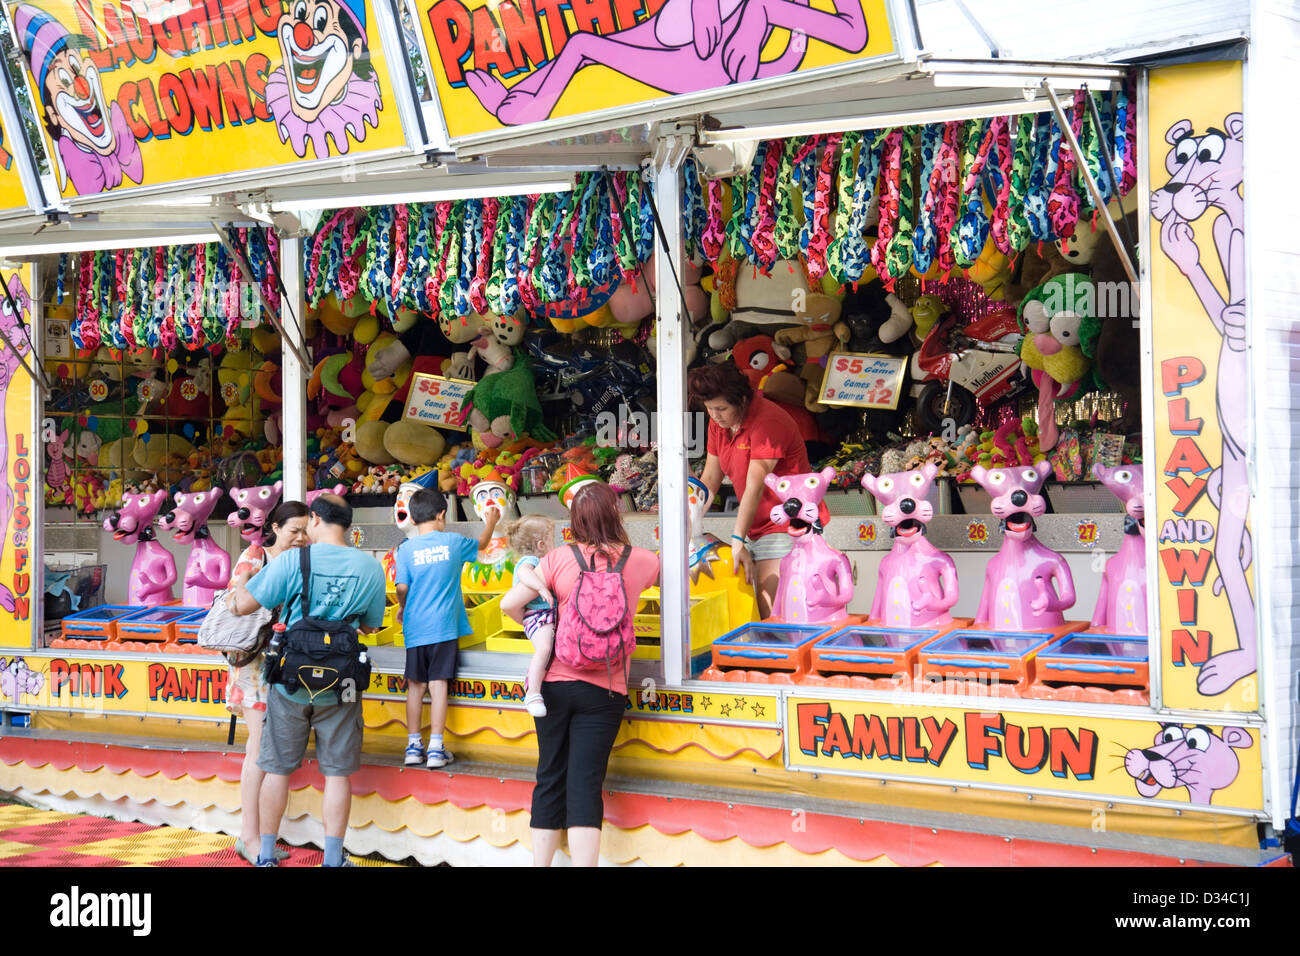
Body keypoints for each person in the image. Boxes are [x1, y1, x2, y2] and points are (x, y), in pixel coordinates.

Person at [501, 483, 659, 867]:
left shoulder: (557, 558)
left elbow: (509, 604)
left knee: (550, 776)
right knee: (586, 783)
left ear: (574, 521)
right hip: (606, 688)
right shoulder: (642, 560)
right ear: (616, 514)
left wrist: (543, 629)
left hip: (554, 684)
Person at [229, 494, 386, 867]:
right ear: (348, 524)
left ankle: (265, 854)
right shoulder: (370, 567)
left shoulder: (292, 560)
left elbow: (243, 606)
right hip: (341, 684)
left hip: (290, 681)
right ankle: (333, 860)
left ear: (314, 519)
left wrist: (244, 581)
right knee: (337, 774)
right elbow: (370, 625)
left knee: (278, 769)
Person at [687, 362, 812, 618]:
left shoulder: (769, 421)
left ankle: (782, 657)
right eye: (709, 409)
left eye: (721, 408)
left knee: (770, 607)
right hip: (755, 526)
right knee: (750, 605)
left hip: (788, 524)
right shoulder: (718, 425)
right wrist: (691, 523)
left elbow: (756, 484)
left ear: (743, 400)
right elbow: (710, 479)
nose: (715, 415)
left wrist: (737, 539)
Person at [225, 500, 310, 866]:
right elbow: (234, 601)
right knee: (259, 750)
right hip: (256, 667)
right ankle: (249, 836)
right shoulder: (255, 556)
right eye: (294, 531)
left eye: (306, 530)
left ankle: (262, 836)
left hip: (286, 666)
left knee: (271, 751)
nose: (301, 537)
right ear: (275, 527)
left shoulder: (300, 560)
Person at [395, 488, 501, 769]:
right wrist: (490, 522)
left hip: (415, 627)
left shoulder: (405, 549)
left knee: (415, 686)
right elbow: (481, 544)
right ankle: (436, 748)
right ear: (442, 514)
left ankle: (413, 746)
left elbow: (402, 587)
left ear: (414, 519)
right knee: (438, 684)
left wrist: (404, 608)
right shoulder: (453, 542)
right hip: (443, 627)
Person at [499, 515, 557, 718]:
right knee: (544, 648)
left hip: (545, 614)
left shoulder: (540, 561)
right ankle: (532, 693)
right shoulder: (530, 561)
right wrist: (541, 587)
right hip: (538, 615)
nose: (554, 544)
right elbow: (524, 572)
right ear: (541, 544)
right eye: (552, 540)